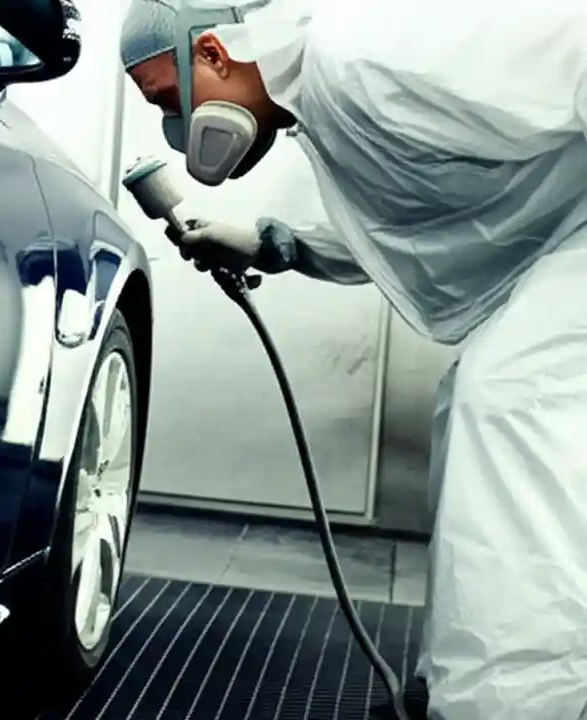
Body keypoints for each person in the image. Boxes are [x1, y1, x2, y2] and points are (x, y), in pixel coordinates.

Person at [119, 0, 587, 718]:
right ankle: (467, 679)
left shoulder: (362, 54)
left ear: (213, 52)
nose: (178, 129)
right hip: (568, 225)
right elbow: (422, 220)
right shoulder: (325, 99)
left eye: (171, 99)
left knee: (514, 397)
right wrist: (277, 244)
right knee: (472, 401)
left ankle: (513, 706)